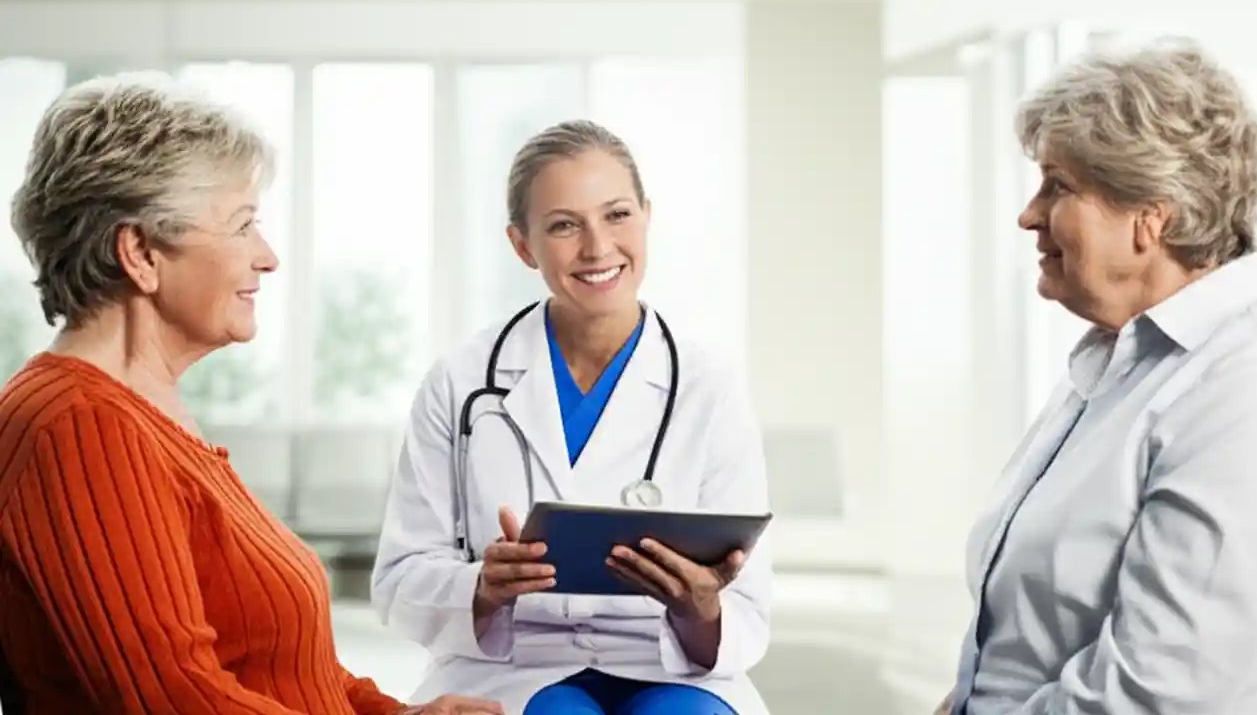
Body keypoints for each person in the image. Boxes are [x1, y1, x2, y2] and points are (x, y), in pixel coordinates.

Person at [0, 73, 503, 715]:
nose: (267, 257)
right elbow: (176, 700)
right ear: (141, 253)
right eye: (242, 226)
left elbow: (278, 662)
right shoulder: (79, 429)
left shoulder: (144, 416)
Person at [371, 119, 772, 715]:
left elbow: (749, 604)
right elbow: (401, 578)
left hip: (669, 663)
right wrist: (481, 588)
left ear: (647, 217)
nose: (597, 247)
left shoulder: (709, 386)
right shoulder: (460, 382)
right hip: (517, 666)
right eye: (564, 225)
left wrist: (701, 607)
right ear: (522, 245)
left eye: (617, 215)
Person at [940, 39, 1257, 714]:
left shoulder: (1248, 385)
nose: (1029, 215)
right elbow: (1025, 640)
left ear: (1151, 216)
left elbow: (1160, 688)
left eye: (1058, 186)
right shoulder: (1121, 357)